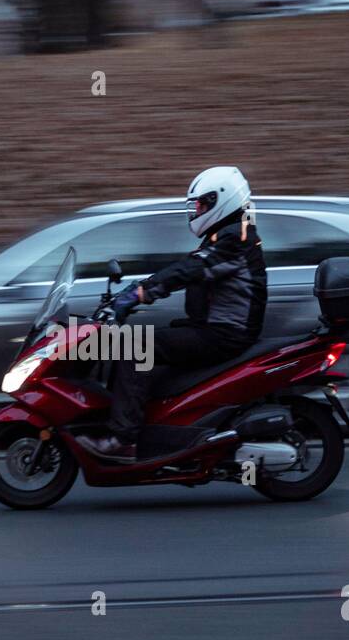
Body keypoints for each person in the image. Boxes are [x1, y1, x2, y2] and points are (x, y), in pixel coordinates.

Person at [78, 166, 267, 463]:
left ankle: (123, 440)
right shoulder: (226, 235)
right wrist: (131, 293)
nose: (197, 211)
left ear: (223, 200)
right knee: (139, 344)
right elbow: (188, 267)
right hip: (212, 328)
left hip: (224, 334)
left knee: (134, 347)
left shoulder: (235, 240)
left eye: (203, 204)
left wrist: (140, 293)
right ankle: (146, 426)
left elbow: (190, 269)